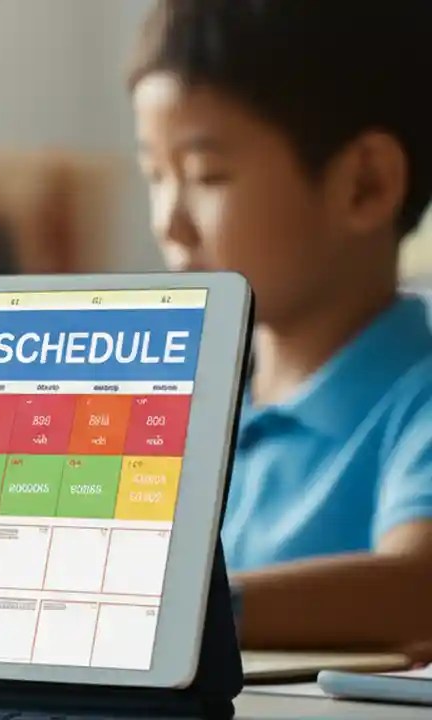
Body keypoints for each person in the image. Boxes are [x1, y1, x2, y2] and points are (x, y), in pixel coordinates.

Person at [129, 0, 432, 652]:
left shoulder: (419, 399)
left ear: (365, 185)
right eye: (155, 175)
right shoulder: (182, 406)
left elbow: (420, 589)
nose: (168, 222)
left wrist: (164, 611)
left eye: (206, 175)